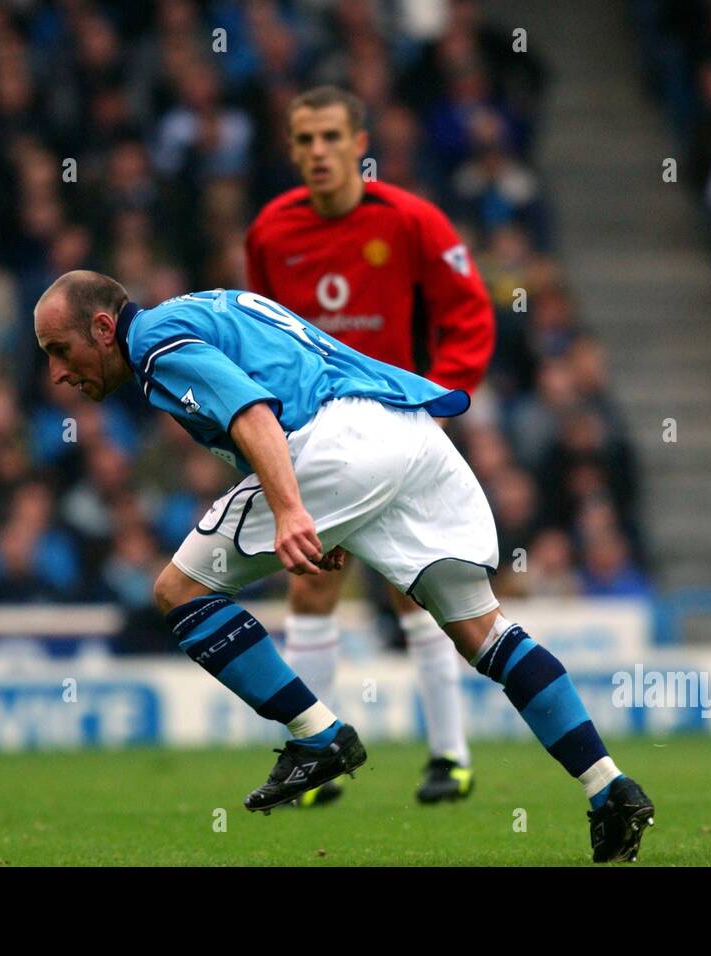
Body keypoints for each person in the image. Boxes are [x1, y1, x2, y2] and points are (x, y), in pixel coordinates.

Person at [33, 271, 655, 862]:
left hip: (341, 443)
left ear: (104, 329)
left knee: (177, 590)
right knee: (482, 634)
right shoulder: (200, 309)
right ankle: (610, 788)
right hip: (406, 431)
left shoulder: (156, 344)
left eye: (60, 350)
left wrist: (292, 509)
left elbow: (253, 413)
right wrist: (327, 514)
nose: (57, 372)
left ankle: (317, 735)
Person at [246, 85, 495, 805]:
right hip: (318, 436)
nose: (318, 152)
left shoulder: (410, 220)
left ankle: (449, 757)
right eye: (304, 140)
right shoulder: (270, 232)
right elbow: (263, 337)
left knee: (421, 588)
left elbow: (469, 312)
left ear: (360, 142)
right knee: (311, 582)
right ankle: (318, 757)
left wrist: (436, 409)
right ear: (291, 149)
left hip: (397, 429)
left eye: (330, 137)